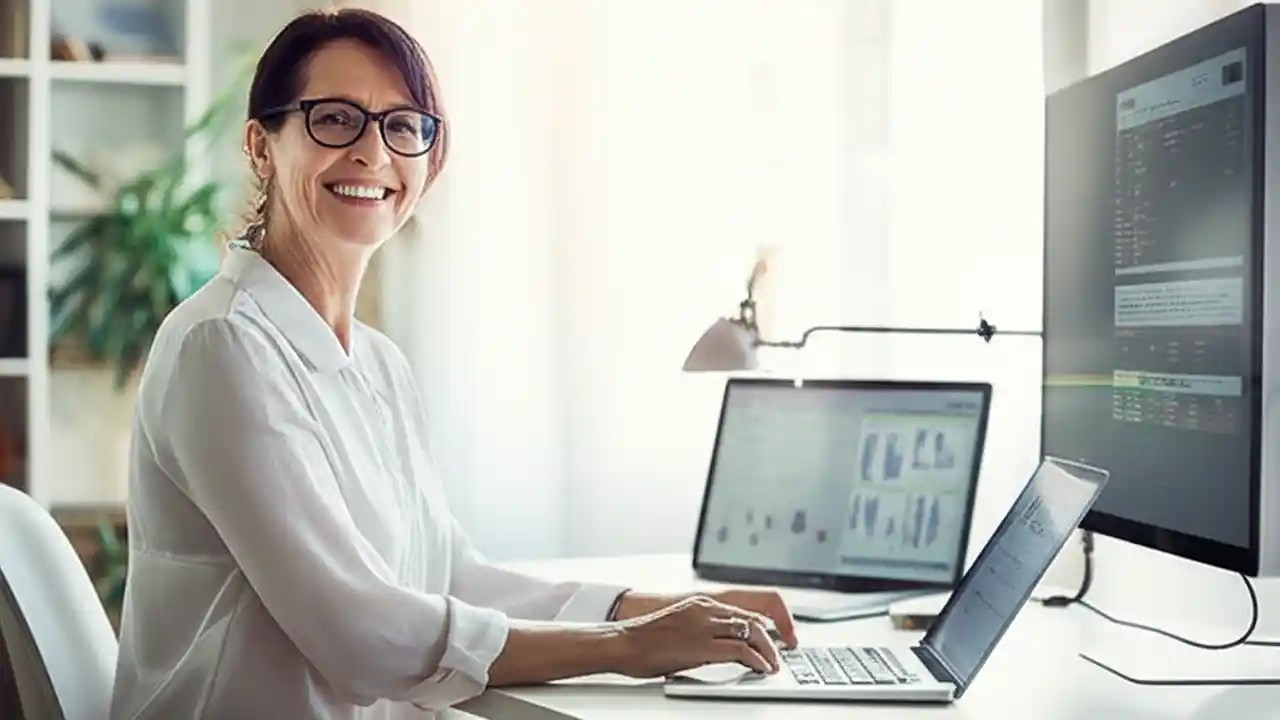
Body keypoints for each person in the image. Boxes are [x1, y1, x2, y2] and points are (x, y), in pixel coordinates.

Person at [109, 8, 797, 720]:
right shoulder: (221, 348)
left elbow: (451, 577)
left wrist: (669, 609)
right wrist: (626, 645)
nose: (373, 152)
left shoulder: (377, 363)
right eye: (335, 119)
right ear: (260, 146)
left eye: (403, 125)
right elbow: (362, 635)